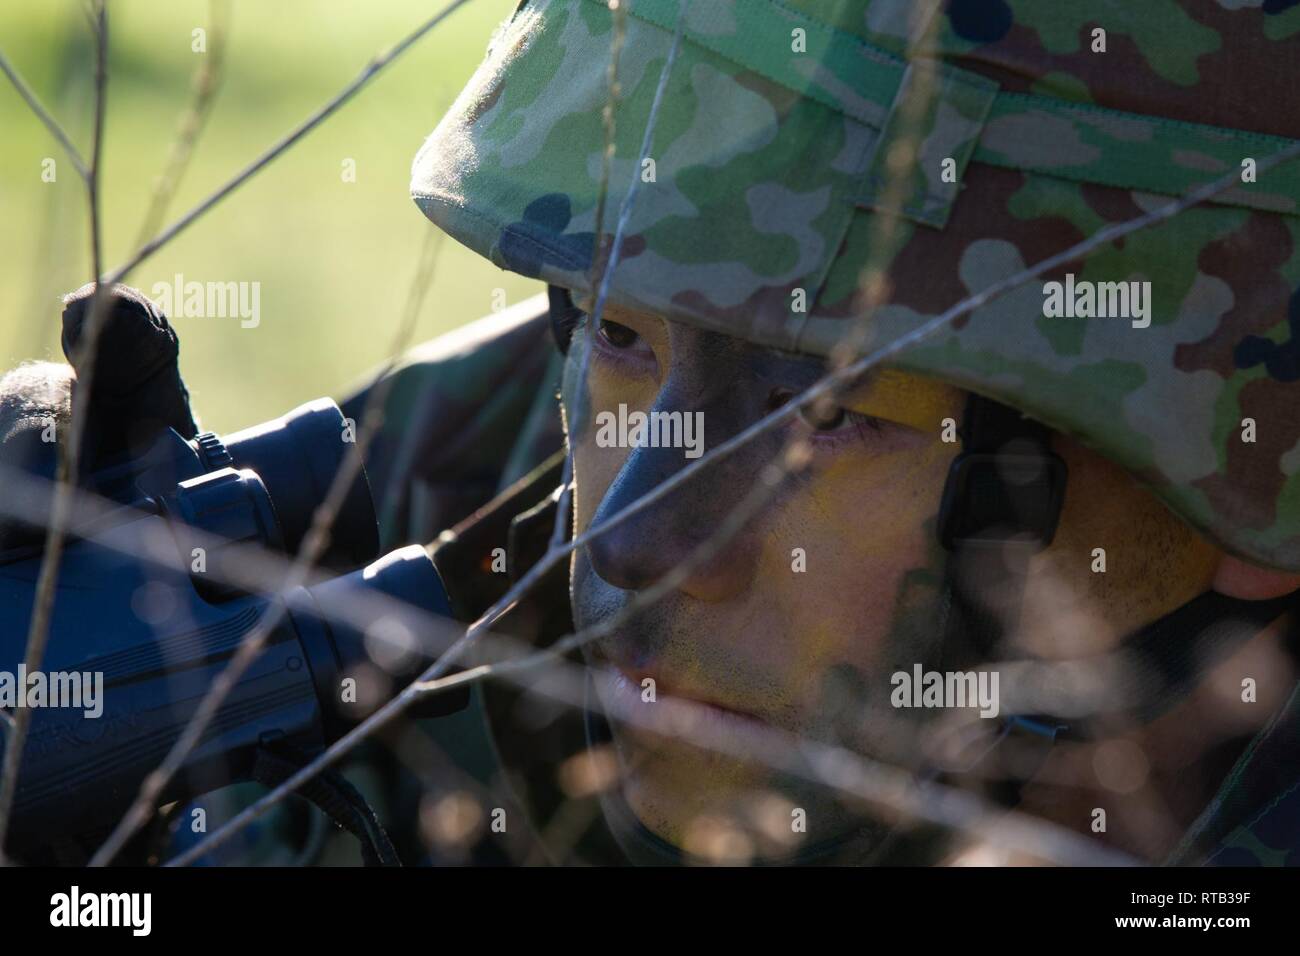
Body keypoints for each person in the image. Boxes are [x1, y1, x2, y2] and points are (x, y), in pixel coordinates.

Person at [7, 0, 1300, 866]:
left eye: (838, 415)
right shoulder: (497, 471)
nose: (632, 541)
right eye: (622, 335)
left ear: (1243, 474)